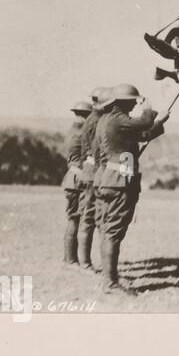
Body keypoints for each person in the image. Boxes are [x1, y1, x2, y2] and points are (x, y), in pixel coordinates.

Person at [90, 84, 168, 292]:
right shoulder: (119, 119)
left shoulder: (105, 121)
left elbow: (141, 135)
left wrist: (159, 123)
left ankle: (109, 276)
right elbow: (144, 122)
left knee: (107, 229)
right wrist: (149, 108)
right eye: (133, 100)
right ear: (123, 102)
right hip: (119, 181)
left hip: (107, 179)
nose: (135, 103)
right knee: (114, 231)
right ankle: (110, 282)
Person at [75, 86, 109, 271]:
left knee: (88, 218)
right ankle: (85, 263)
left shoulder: (92, 119)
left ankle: (85, 262)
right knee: (90, 218)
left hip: (90, 172)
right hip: (94, 173)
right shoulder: (97, 121)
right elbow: (97, 150)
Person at [59, 99, 95, 266]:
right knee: (81, 220)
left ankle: (69, 259)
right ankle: (77, 261)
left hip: (71, 179)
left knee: (73, 219)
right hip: (79, 179)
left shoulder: (71, 130)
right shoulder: (82, 133)